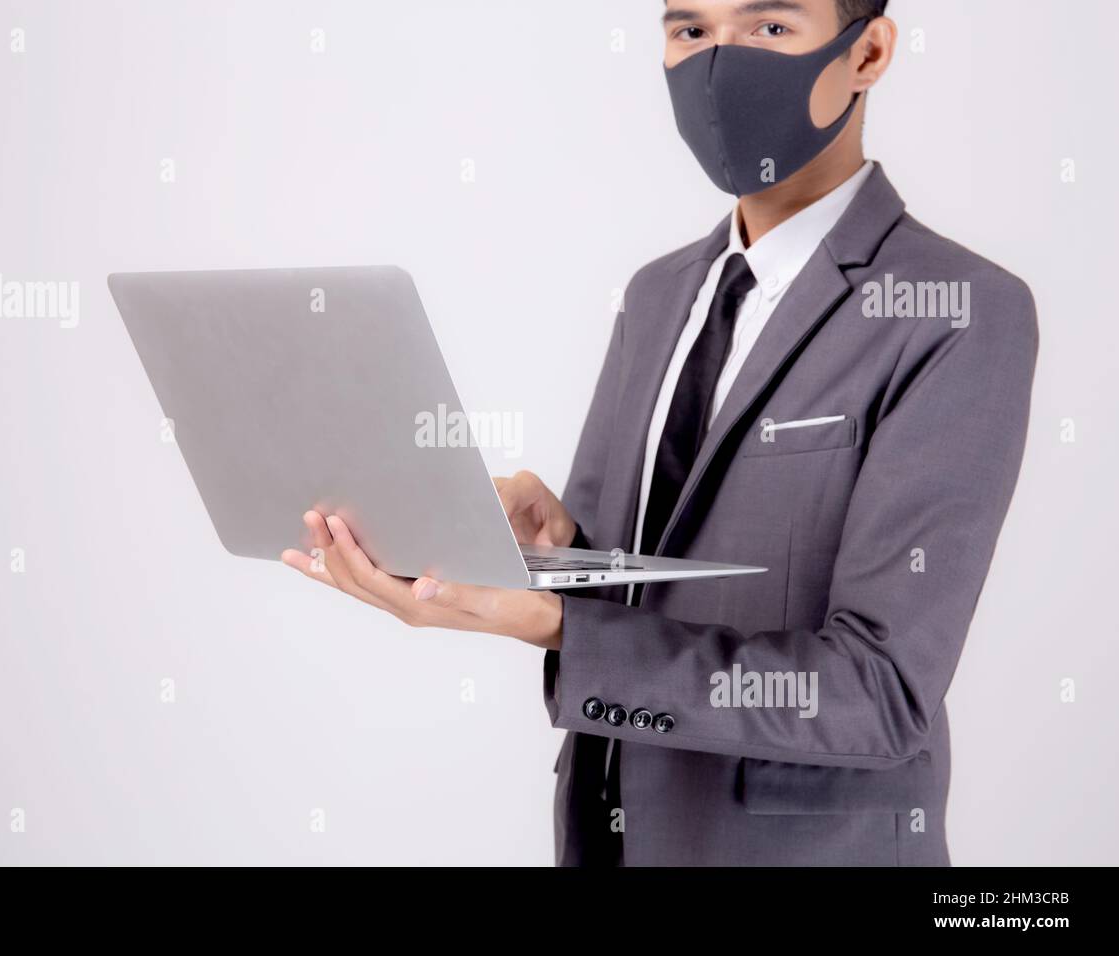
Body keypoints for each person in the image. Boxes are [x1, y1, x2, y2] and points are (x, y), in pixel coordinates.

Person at [282, 0, 1038, 866]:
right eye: (690, 32)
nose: (721, 63)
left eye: (770, 28)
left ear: (867, 51)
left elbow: (880, 694)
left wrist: (565, 631)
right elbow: (625, 607)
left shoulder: (958, 310)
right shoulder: (656, 294)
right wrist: (562, 549)